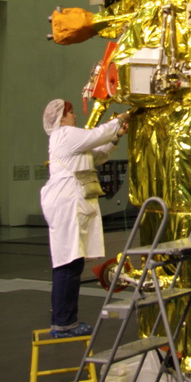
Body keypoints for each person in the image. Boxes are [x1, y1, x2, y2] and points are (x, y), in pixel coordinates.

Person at [41, 99, 130, 338]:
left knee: (71, 262)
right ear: (61, 118)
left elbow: (95, 156)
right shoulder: (65, 134)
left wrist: (116, 136)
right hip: (66, 203)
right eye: (71, 113)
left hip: (69, 203)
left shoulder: (68, 139)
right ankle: (64, 323)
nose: (74, 116)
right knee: (67, 263)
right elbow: (95, 136)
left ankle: (64, 320)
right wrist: (119, 120)